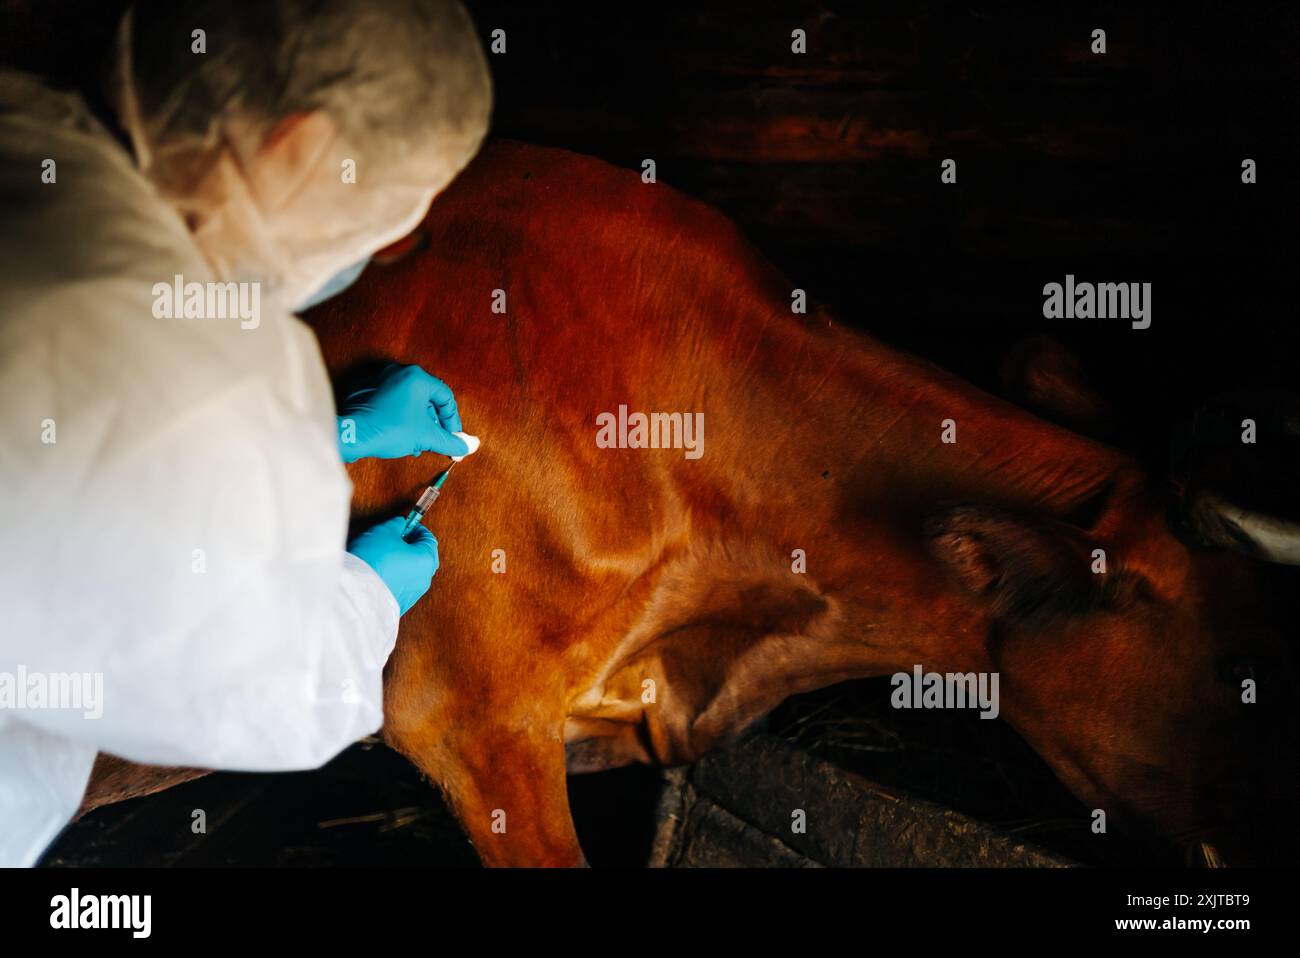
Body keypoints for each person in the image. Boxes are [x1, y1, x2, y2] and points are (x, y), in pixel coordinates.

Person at [0, 0, 491, 865]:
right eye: (396, 206)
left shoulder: (22, 122)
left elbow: (72, 475)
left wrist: (326, 437)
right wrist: (364, 597)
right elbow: (267, 695)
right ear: (298, 148)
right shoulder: (207, 369)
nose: (393, 238)